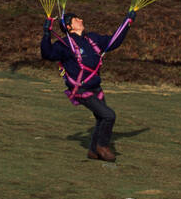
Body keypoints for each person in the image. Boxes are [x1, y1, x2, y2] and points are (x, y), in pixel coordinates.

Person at [40, 9, 135, 162]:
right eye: (76, 19)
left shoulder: (92, 39)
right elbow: (47, 54)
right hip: (81, 89)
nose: (81, 20)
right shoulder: (64, 44)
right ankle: (102, 147)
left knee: (101, 118)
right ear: (69, 26)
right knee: (109, 115)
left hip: (96, 88)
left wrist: (127, 23)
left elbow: (114, 41)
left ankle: (93, 151)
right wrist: (46, 33)